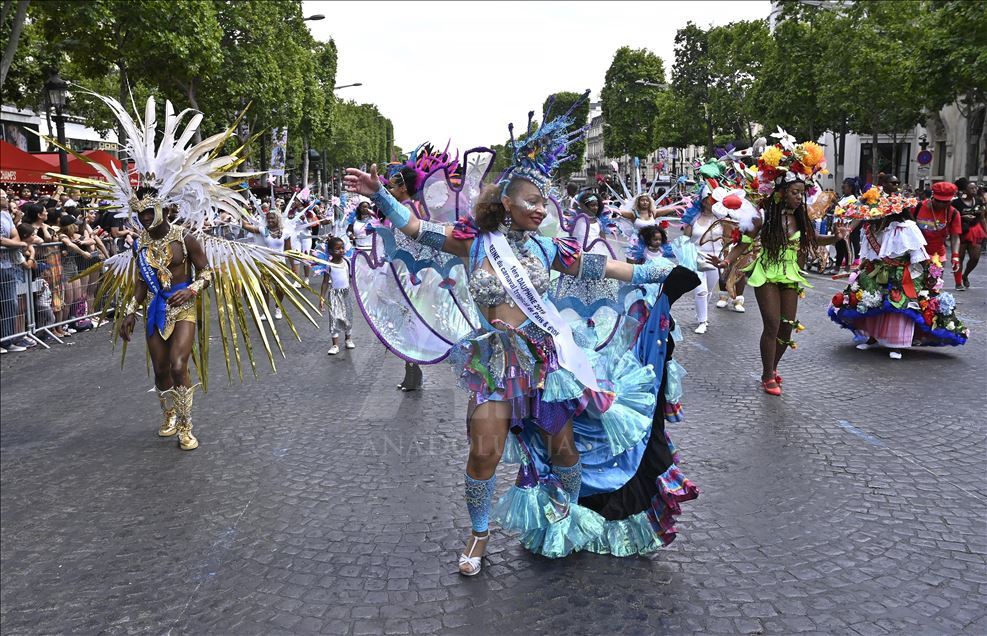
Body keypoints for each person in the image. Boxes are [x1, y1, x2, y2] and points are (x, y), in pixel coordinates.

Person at [344, 94, 698, 575]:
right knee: (484, 451)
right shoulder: (473, 242)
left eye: (543, 202)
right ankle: (479, 534)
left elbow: (602, 266)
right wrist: (380, 195)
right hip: (494, 363)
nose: (539, 209)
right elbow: (417, 229)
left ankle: (564, 517)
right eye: (531, 201)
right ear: (505, 203)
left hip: (545, 363)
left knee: (563, 449)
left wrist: (657, 272)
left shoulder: (547, 247)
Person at [718, 135, 841, 396]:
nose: (799, 197)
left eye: (801, 193)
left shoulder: (801, 218)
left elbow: (814, 239)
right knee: (772, 325)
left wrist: (836, 238)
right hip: (766, 273)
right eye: (795, 193)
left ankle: (773, 367)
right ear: (781, 192)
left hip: (790, 274)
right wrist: (727, 261)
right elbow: (744, 243)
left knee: (787, 326)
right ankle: (766, 375)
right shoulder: (763, 217)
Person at [829, 191, 968, 356]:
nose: (870, 217)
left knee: (898, 308)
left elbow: (918, 255)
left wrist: (930, 275)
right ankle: (872, 337)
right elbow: (868, 254)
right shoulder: (870, 229)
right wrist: (862, 269)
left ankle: (896, 344)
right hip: (876, 272)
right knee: (873, 305)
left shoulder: (905, 228)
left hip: (902, 275)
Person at [912, 181, 962, 289]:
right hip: (915, 254)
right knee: (913, 289)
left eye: (945, 202)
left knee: (933, 289)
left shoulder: (953, 213)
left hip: (937, 256)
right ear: (932, 196)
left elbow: (955, 236)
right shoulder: (918, 207)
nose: (941, 204)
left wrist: (955, 256)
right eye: (938, 201)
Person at [242, 210, 291, 320]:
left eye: (272, 218)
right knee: (264, 288)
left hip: (280, 264)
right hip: (266, 263)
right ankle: (265, 311)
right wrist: (240, 213)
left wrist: (293, 267)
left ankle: (278, 307)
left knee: (280, 288)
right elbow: (245, 226)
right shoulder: (263, 230)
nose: (270, 220)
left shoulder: (286, 232)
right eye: (268, 218)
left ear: (277, 219)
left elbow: (289, 250)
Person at [318, 237, 355, 355]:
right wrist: (322, 298)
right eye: (337, 249)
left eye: (342, 248)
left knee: (348, 316)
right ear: (330, 251)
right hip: (334, 294)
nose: (341, 250)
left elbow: (352, 277)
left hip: (346, 293)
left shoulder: (347, 262)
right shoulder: (328, 265)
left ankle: (348, 339)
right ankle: (335, 345)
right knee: (334, 317)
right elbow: (325, 282)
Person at [953, 178, 985, 289]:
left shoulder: (979, 201)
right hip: (960, 231)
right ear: (965, 190)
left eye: (975, 188)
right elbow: (951, 217)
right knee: (959, 258)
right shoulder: (956, 203)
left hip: (975, 230)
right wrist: (962, 217)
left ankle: (965, 275)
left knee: (975, 258)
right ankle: (958, 283)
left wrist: (986, 230)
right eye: (971, 188)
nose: (974, 190)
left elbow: (982, 217)